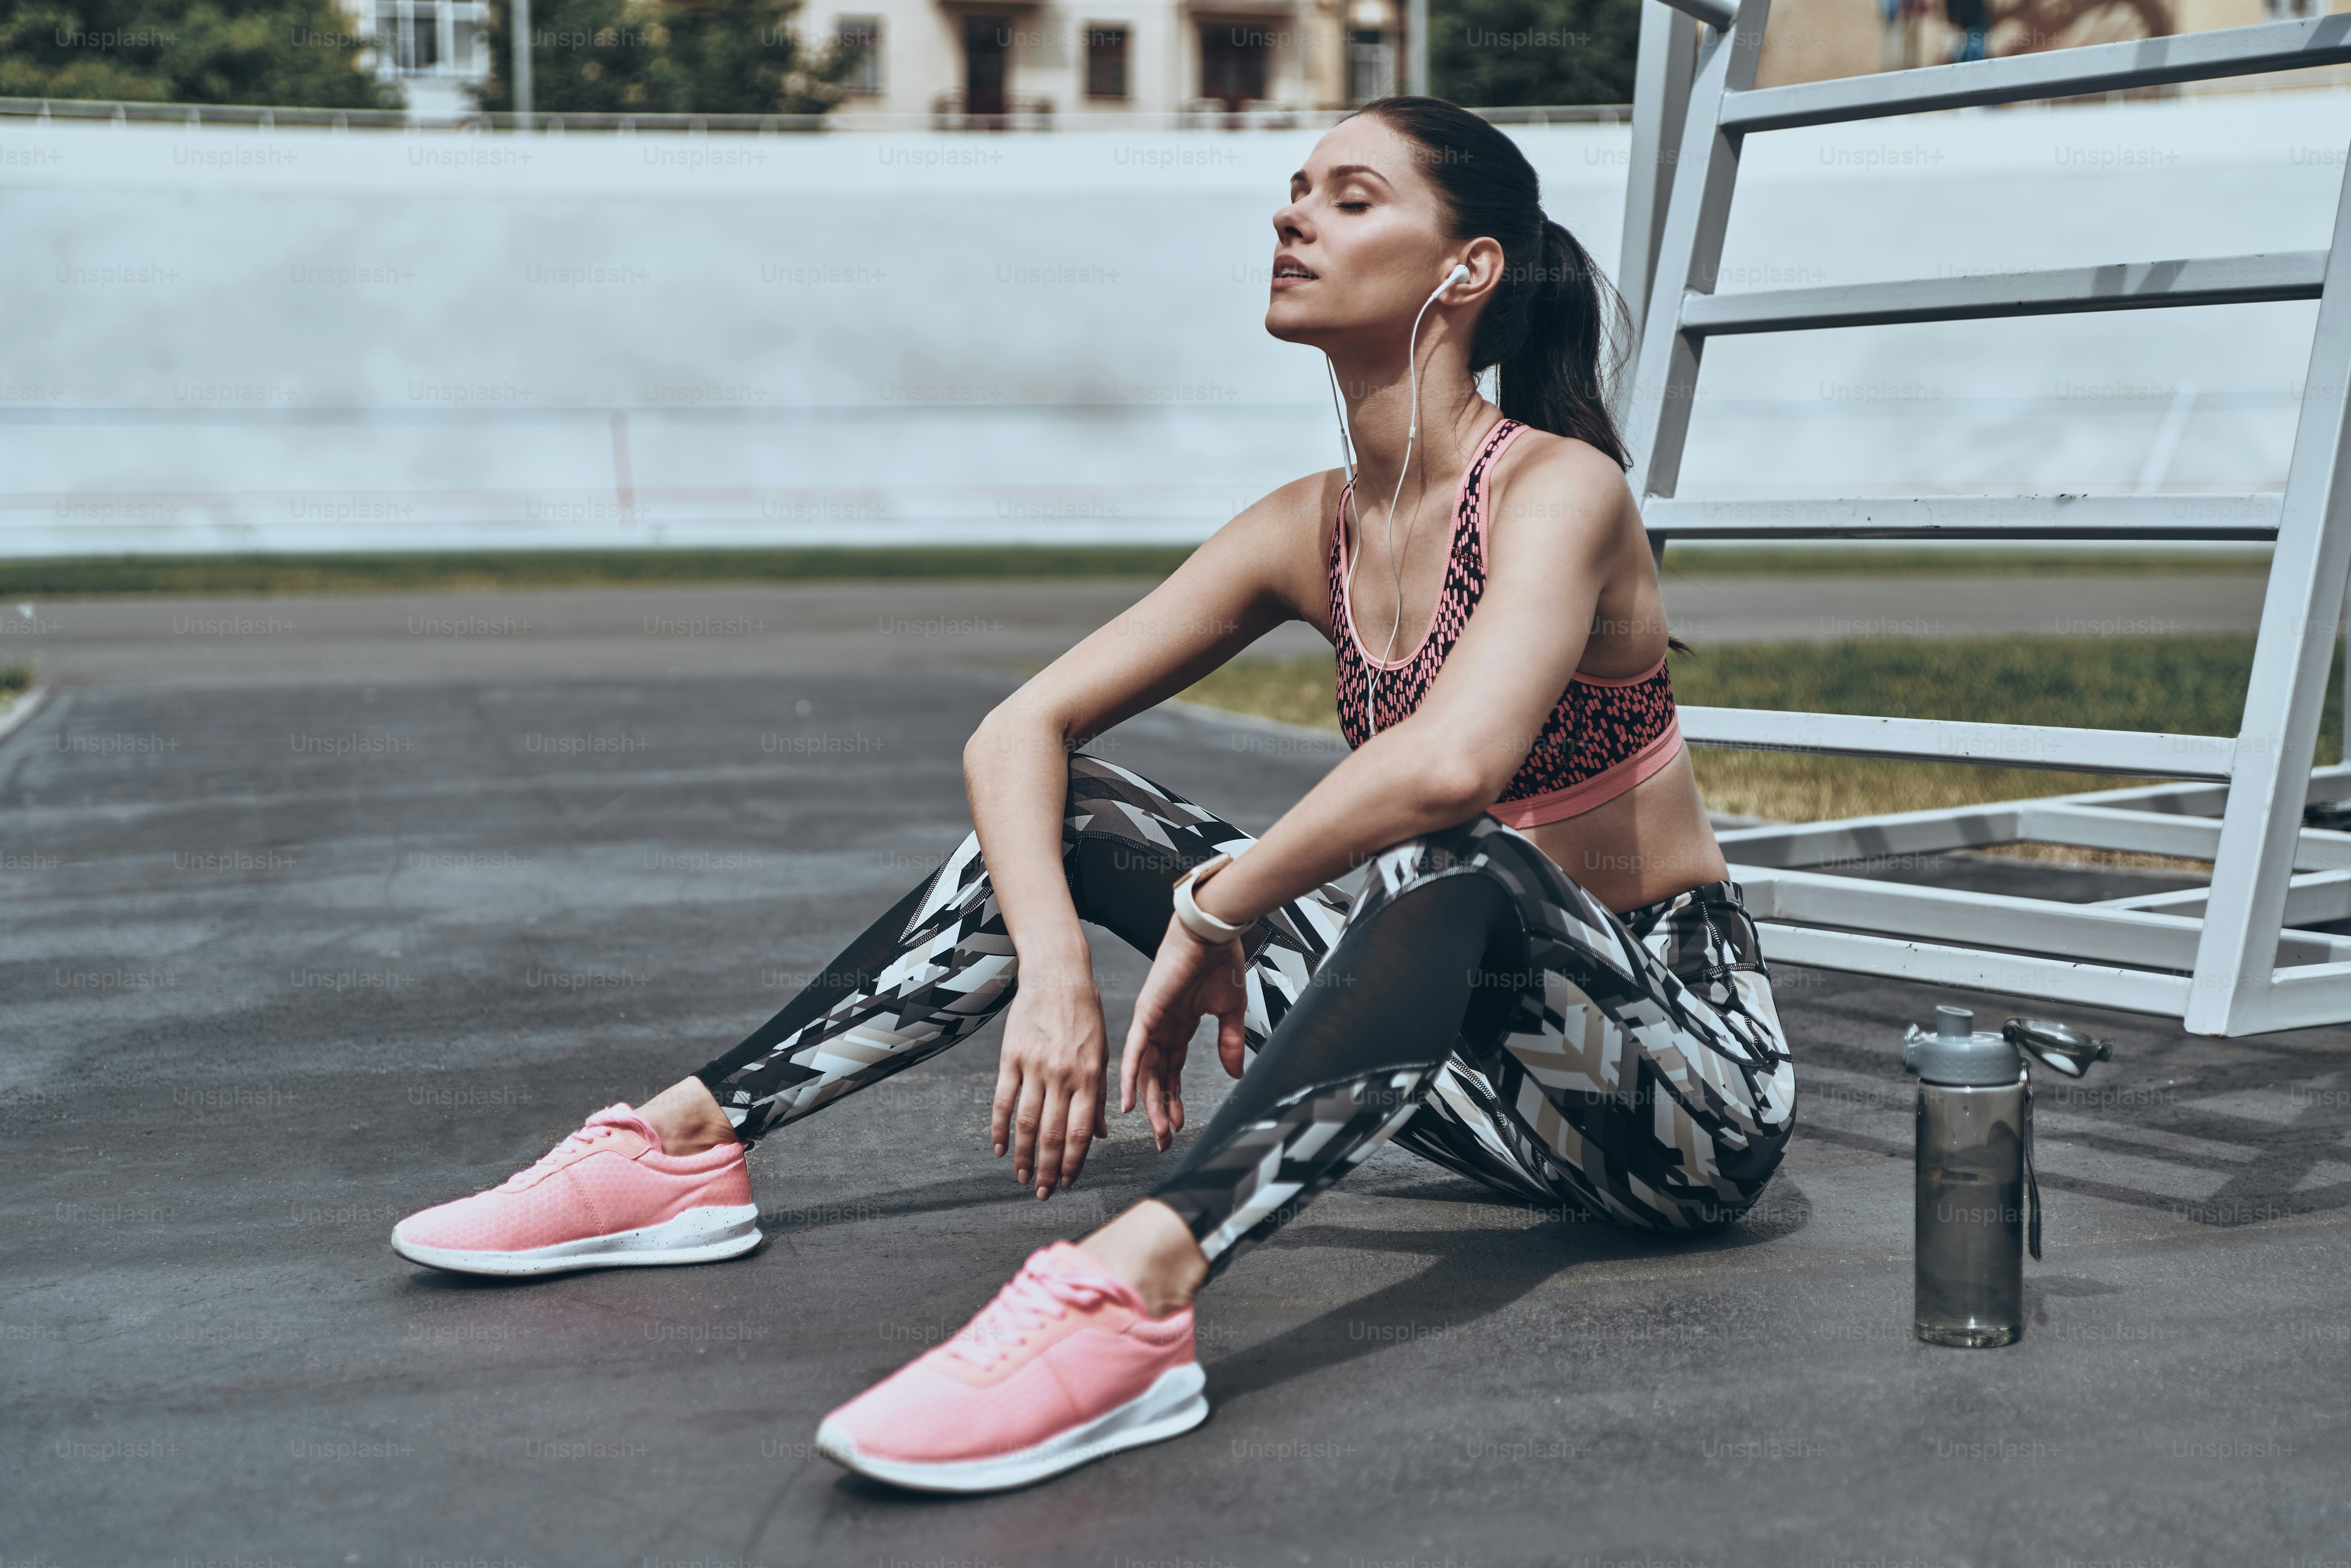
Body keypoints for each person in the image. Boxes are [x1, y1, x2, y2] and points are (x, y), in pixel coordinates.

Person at [389, 94, 1798, 1494]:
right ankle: (692, 1145)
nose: (1291, 215)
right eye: (1295, 189)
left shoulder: (1563, 491)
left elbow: (1451, 766)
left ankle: (1133, 1296)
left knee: (1457, 859)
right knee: (1081, 812)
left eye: (1351, 197)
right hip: (1478, 1087)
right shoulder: (1306, 527)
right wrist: (1059, 967)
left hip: (1678, 1097)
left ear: (1467, 269)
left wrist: (1216, 905)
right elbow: (1022, 728)